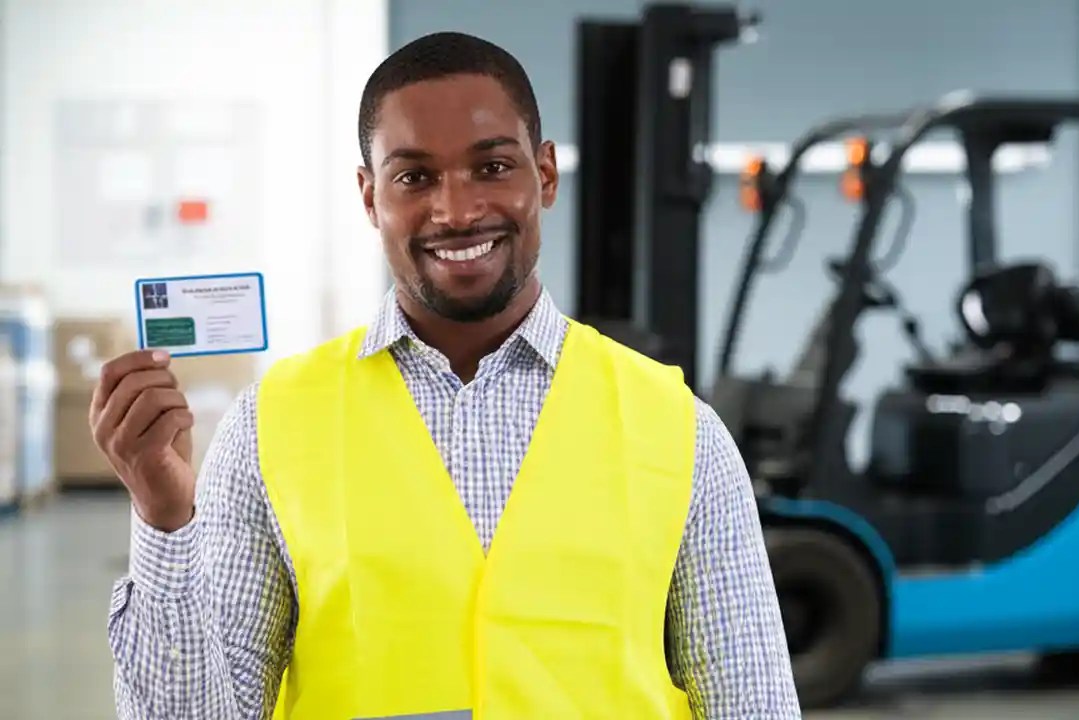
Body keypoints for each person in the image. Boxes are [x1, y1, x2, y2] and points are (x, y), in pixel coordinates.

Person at [95, 31, 801, 719]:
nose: (457, 210)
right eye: (415, 177)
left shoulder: (679, 431)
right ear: (371, 198)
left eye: (492, 167)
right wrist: (164, 520)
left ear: (544, 175)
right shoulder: (270, 425)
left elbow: (755, 703)